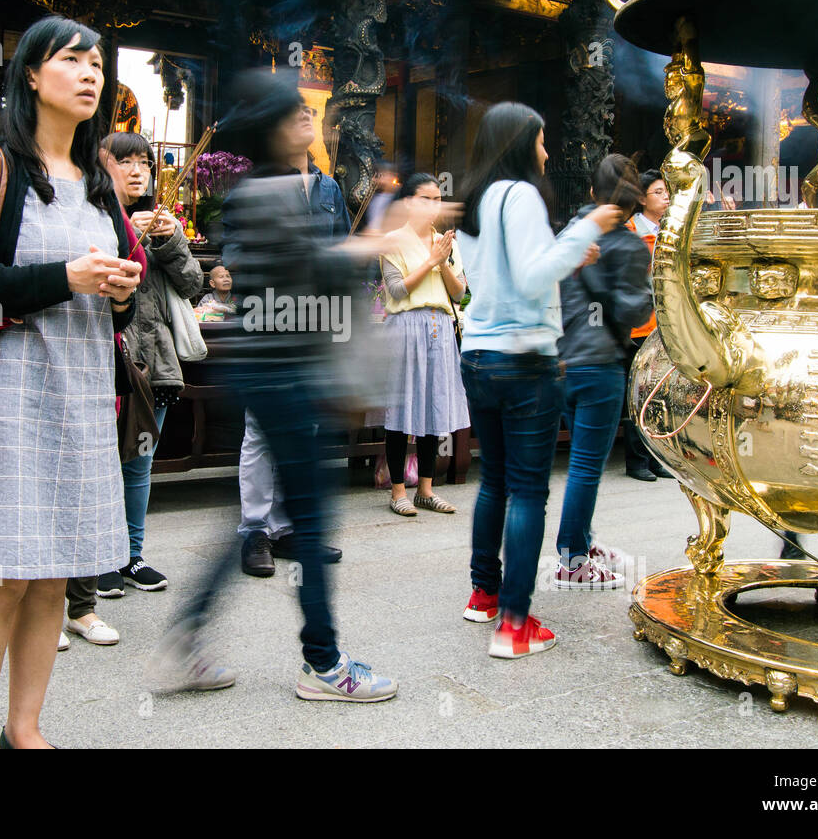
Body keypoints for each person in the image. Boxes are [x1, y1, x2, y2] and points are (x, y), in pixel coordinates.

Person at [0, 15, 142, 749]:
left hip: (81, 394)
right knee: (3, 575)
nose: (91, 73)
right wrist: (65, 279)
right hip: (7, 397)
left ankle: (26, 728)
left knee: (55, 574)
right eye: (74, 59)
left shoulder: (100, 185)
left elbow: (121, 300)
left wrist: (120, 291)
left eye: (99, 63)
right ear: (29, 73)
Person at [153, 68, 400, 701]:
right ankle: (322, 663)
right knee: (315, 521)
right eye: (296, 115)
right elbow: (317, 266)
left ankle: (189, 635)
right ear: (274, 129)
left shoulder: (258, 192)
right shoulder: (267, 195)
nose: (306, 123)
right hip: (286, 372)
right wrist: (383, 236)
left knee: (270, 517)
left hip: (275, 368)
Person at [455, 101, 621, 659]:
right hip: (524, 362)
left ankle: (484, 594)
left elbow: (498, 277)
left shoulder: (476, 200)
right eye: (542, 141)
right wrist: (585, 229)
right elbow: (529, 278)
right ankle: (515, 625)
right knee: (527, 491)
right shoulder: (520, 195)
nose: (547, 152)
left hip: (478, 356)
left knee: (494, 482)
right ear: (520, 143)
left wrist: (565, 252)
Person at [90, 130, 203, 599]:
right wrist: (127, 238)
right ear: (103, 165)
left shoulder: (161, 222)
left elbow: (193, 283)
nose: (138, 170)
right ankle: (97, 558)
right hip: (106, 359)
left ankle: (131, 554)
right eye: (126, 162)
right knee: (98, 463)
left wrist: (172, 239)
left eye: (144, 162)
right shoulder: (94, 218)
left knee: (139, 463)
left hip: (153, 364)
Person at [238, 101, 347, 578]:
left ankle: (289, 528)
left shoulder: (330, 188)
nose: (306, 118)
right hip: (269, 319)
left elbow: (343, 250)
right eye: (294, 113)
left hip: (319, 323)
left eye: (310, 113)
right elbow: (237, 251)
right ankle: (255, 530)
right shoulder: (257, 187)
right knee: (261, 432)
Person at [553, 154, 655, 590]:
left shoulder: (568, 232)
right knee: (586, 467)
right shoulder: (629, 245)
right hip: (600, 363)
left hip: (561, 360)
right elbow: (635, 309)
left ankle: (580, 542)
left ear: (593, 193)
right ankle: (572, 559)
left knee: (580, 461)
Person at [376, 172, 470, 517]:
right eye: (426, 198)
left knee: (435, 406)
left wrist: (442, 261)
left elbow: (461, 293)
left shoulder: (447, 242)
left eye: (438, 198)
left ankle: (427, 489)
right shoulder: (393, 240)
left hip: (441, 327)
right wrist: (430, 261)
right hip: (407, 326)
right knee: (401, 409)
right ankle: (398, 489)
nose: (434, 205)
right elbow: (398, 290)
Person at [622, 170, 674, 483]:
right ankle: (636, 460)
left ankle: (657, 458)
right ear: (642, 199)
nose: (665, 197)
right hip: (639, 326)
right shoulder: (631, 232)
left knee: (659, 393)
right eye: (658, 192)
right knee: (637, 393)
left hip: (664, 323)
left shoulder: (669, 231)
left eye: (667, 192)